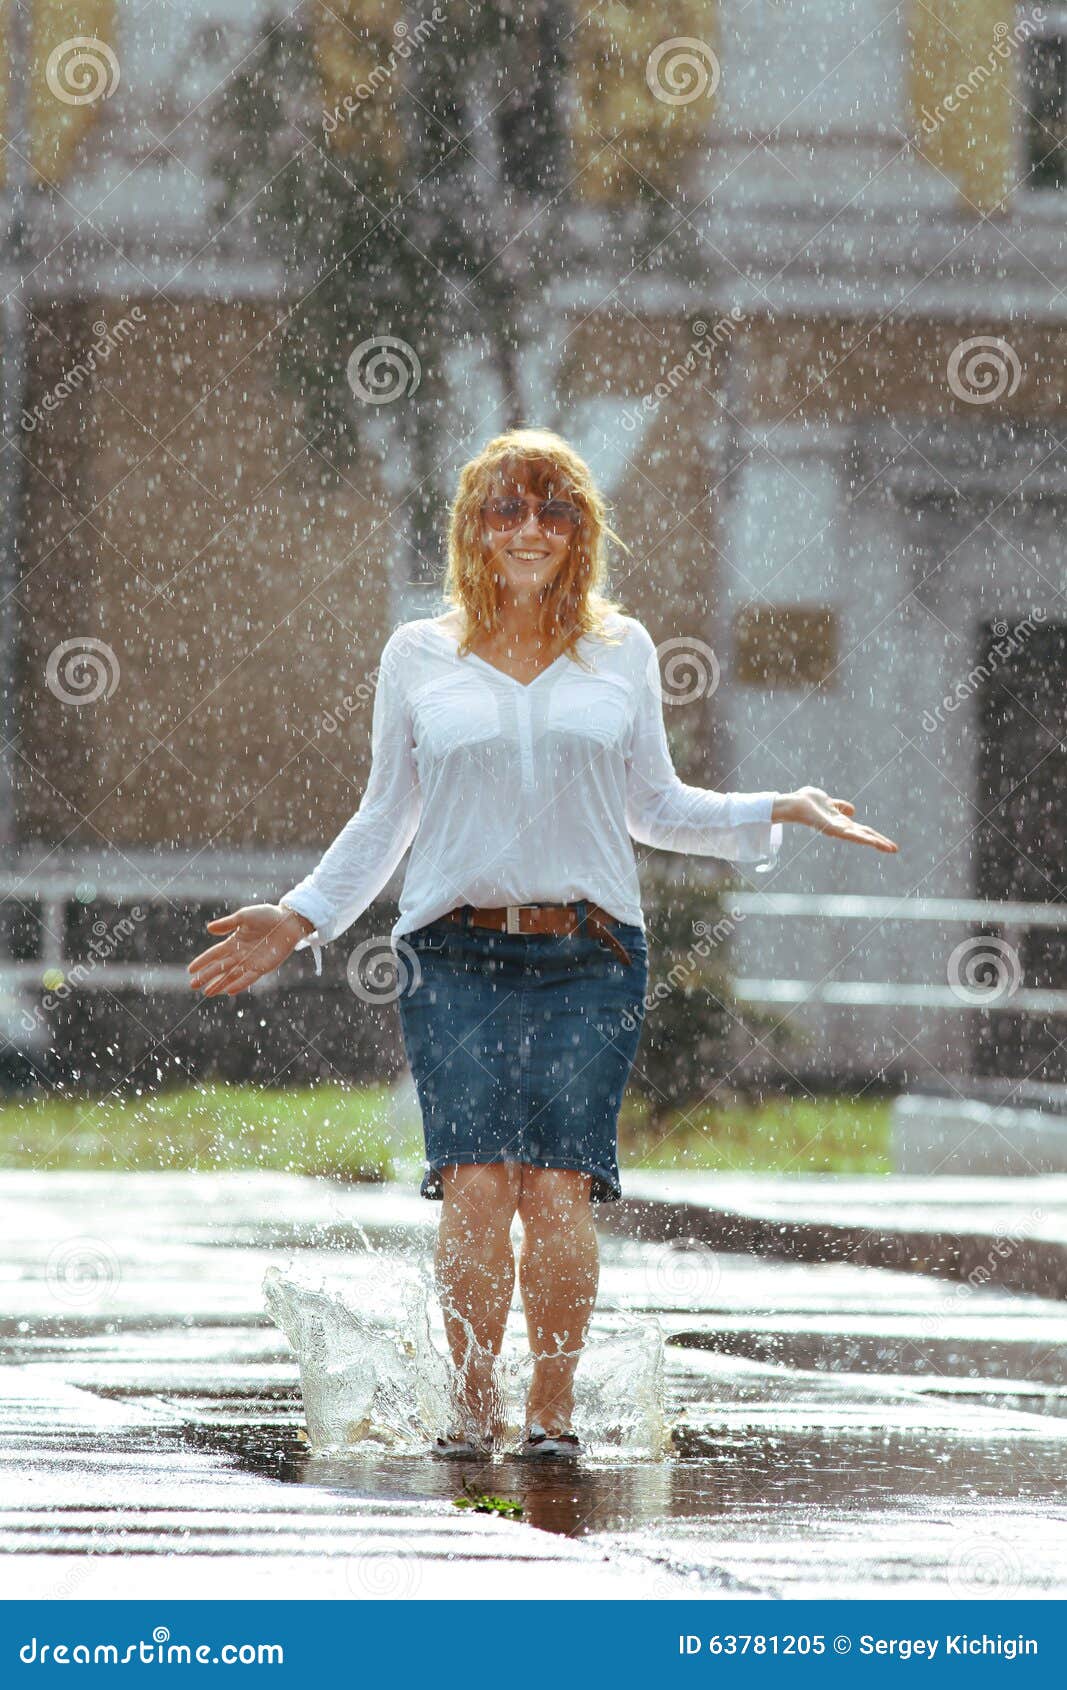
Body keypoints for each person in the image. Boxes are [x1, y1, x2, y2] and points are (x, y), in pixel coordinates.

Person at [187, 427, 898, 1460]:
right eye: (505, 509)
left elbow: (651, 803)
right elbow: (385, 813)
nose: (529, 529)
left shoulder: (621, 650)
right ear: (473, 529)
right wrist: (297, 915)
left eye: (552, 510)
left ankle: (549, 1416)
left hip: (589, 954)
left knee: (559, 1183)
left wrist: (777, 805)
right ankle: (472, 1413)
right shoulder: (416, 655)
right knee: (477, 1180)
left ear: (580, 531)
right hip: (451, 953)